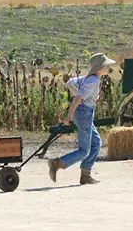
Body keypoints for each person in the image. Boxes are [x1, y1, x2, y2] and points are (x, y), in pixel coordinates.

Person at [48, 53, 115, 185]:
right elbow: (78, 98)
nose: (108, 68)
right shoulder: (93, 80)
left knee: (96, 144)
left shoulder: (89, 78)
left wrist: (90, 98)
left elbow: (71, 83)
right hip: (84, 114)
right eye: (106, 66)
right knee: (84, 151)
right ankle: (57, 163)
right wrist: (69, 116)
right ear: (99, 67)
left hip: (86, 113)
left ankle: (85, 175)